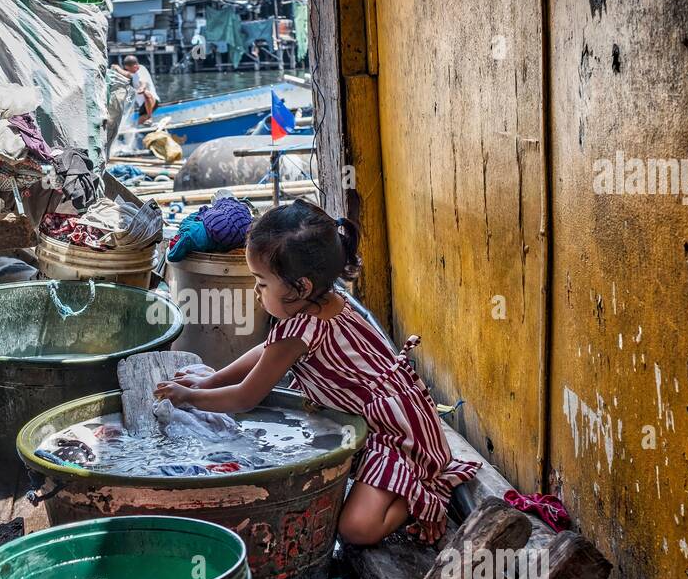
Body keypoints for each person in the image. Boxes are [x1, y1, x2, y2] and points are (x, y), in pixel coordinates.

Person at [154, 199, 480, 546]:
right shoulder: (328, 300)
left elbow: (246, 398)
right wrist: (211, 380)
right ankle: (400, 484)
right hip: (402, 413)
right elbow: (266, 354)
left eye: (261, 283)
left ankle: (423, 494)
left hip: (398, 436)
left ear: (302, 287)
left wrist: (190, 397)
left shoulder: (299, 331)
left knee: (356, 530)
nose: (255, 291)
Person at [114, 55, 158, 123]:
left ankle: (150, 117)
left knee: (146, 93)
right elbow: (127, 74)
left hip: (152, 102)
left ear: (134, 66)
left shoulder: (141, 72)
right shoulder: (135, 71)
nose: (128, 71)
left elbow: (143, 82)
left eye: (129, 69)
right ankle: (146, 120)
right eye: (127, 69)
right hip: (144, 106)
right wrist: (117, 68)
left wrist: (142, 88)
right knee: (140, 123)